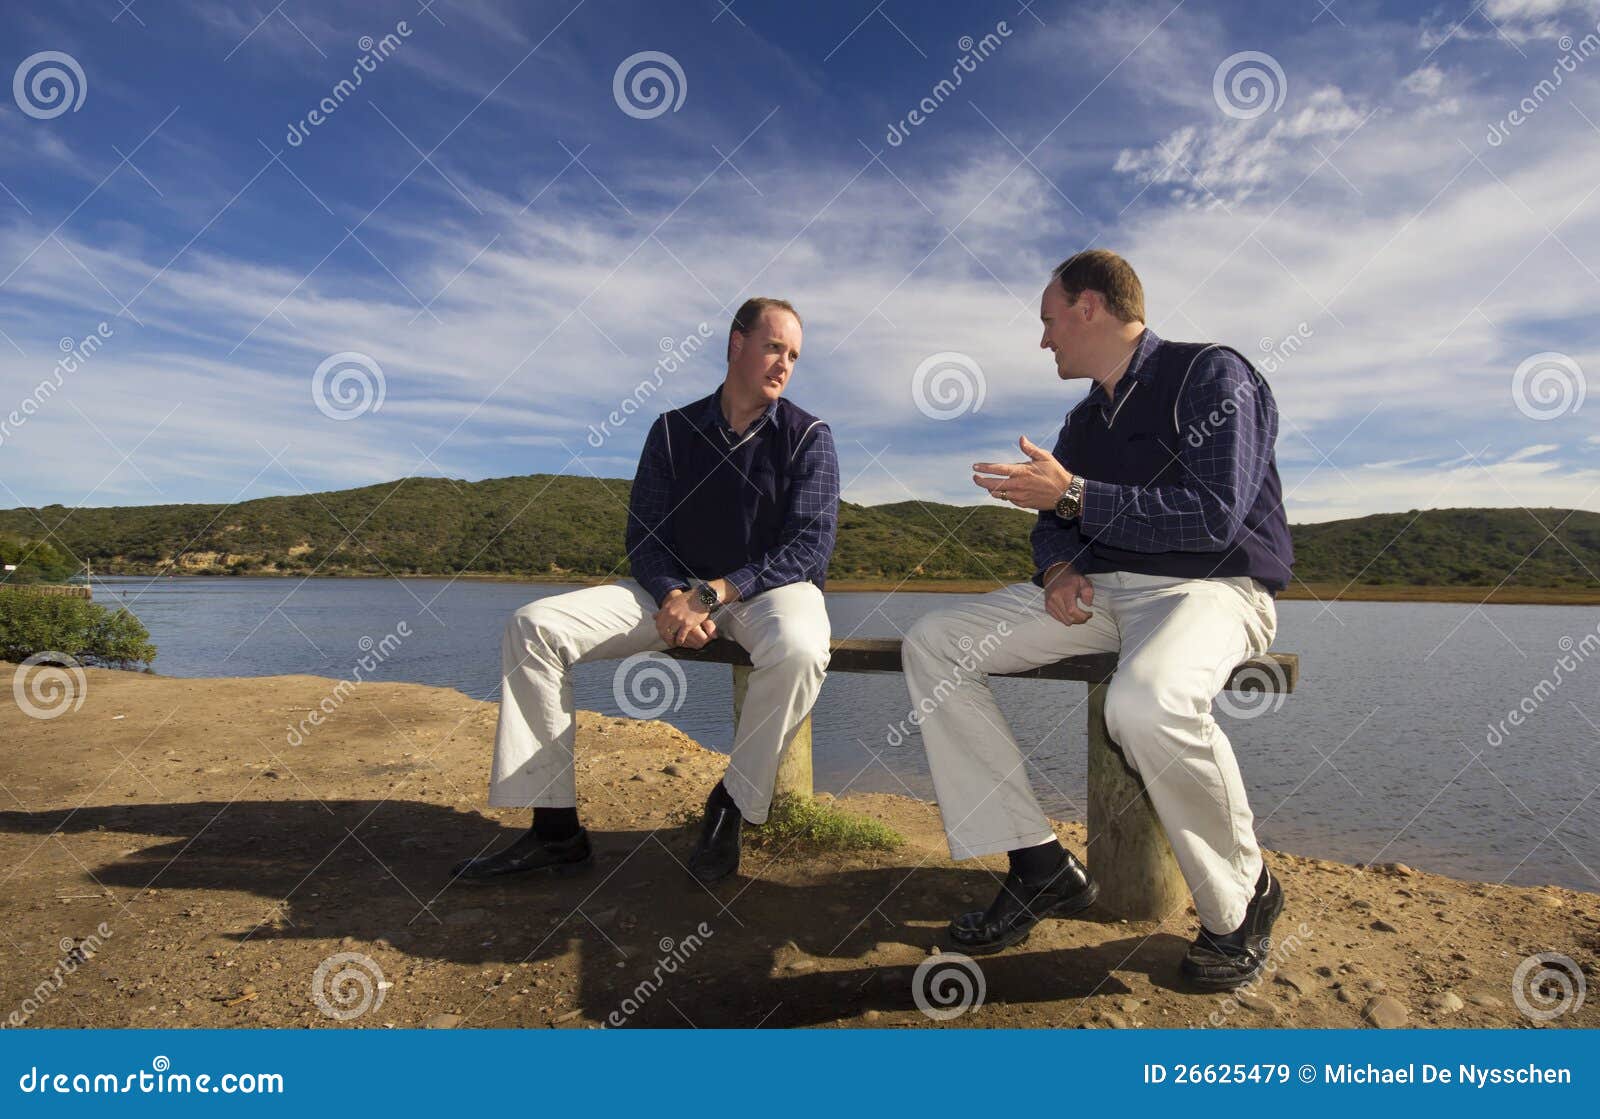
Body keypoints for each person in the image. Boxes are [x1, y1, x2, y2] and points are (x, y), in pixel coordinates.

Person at [903, 250, 1293, 989]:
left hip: (1211, 590)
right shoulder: (1084, 416)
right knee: (935, 643)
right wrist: (1057, 565)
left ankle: (1244, 900)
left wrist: (1075, 494)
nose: (1044, 339)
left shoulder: (1211, 374)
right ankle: (1037, 861)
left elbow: (1215, 516)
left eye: (1049, 320)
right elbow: (1055, 523)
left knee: (1143, 704)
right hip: (1102, 593)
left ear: (1089, 308)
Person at [453, 297, 838, 886]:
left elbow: (808, 547)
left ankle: (731, 805)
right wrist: (670, 596)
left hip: (768, 592)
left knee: (803, 648)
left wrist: (714, 593)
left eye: (793, 355)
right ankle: (555, 831)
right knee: (535, 626)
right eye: (773, 347)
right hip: (676, 591)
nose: (784, 364)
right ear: (736, 345)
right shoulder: (672, 430)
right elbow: (646, 535)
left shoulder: (808, 435)